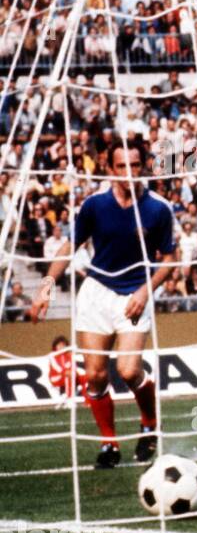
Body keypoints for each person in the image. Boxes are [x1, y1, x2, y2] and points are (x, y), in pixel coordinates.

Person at [30, 142, 176, 468]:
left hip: (134, 295)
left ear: (144, 166)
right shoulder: (94, 205)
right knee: (95, 376)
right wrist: (45, 286)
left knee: (128, 370)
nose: (129, 172)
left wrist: (144, 292)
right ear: (110, 168)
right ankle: (109, 443)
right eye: (121, 166)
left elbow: (168, 262)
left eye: (135, 165)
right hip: (96, 292)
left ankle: (150, 424)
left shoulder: (158, 209)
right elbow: (70, 246)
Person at [47, 335, 86, 408]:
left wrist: (75, 373)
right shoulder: (52, 355)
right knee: (68, 376)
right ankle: (70, 400)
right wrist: (66, 372)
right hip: (55, 377)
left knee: (84, 378)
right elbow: (58, 368)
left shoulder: (69, 355)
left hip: (69, 375)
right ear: (55, 346)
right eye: (59, 345)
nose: (61, 347)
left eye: (63, 345)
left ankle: (88, 401)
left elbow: (73, 367)